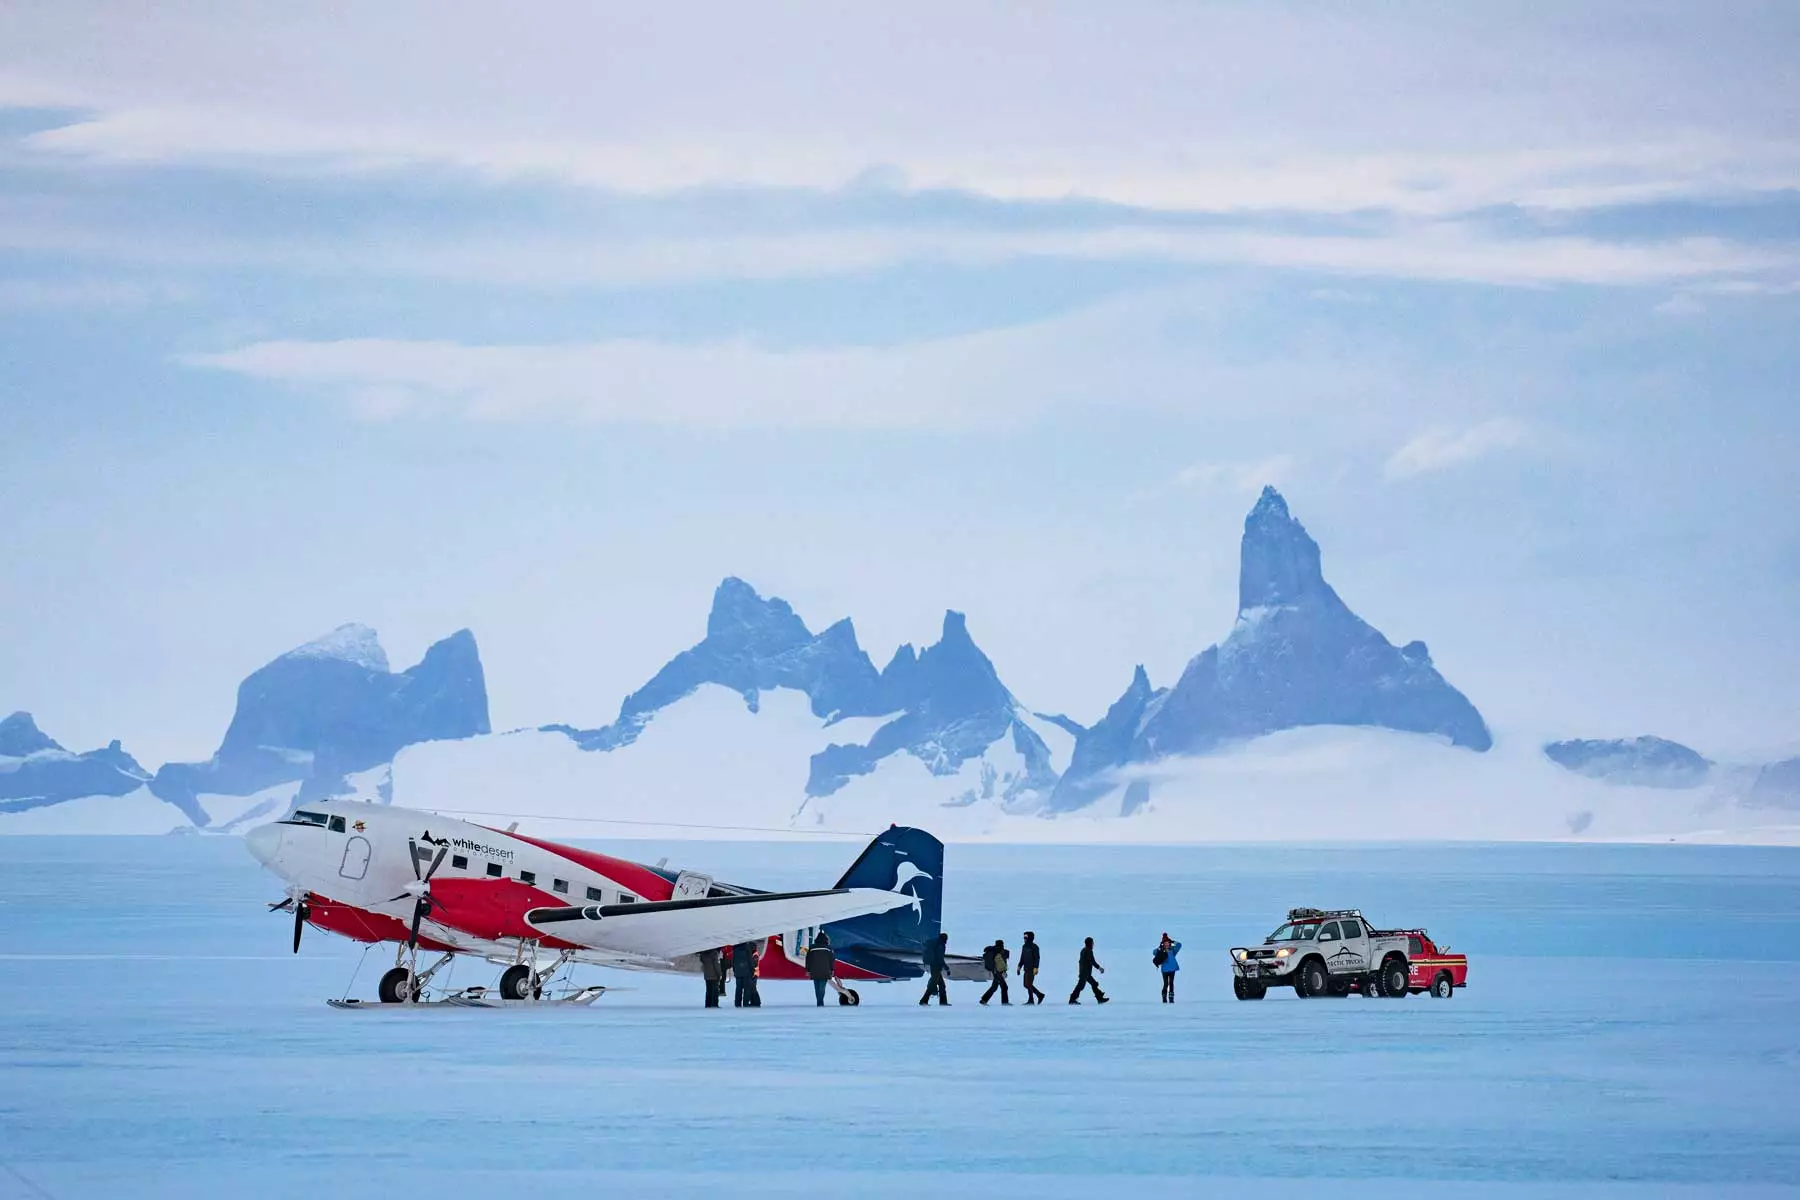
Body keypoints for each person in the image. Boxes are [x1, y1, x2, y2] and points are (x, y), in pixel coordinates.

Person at [1069, 936, 1109, 1004]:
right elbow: (1092, 961)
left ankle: (1099, 998)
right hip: (1085, 973)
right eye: (1093, 943)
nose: (1093, 944)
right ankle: (1072, 999)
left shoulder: (1083, 950)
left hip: (1085, 973)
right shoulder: (1088, 951)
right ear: (1090, 943)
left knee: (1093, 984)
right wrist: (1100, 968)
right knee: (1080, 986)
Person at [919, 930, 950, 1006]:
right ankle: (923, 1001)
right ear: (944, 939)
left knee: (941, 985)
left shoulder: (937, 944)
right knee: (933, 985)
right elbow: (940, 958)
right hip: (936, 967)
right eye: (946, 939)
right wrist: (946, 967)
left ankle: (943, 1002)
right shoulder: (940, 945)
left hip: (934, 966)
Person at [806, 931, 837, 1007]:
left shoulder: (812, 947)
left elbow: (808, 959)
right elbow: (831, 960)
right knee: (822, 988)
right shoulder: (829, 948)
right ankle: (821, 1002)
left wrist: (808, 970)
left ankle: (819, 1002)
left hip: (814, 971)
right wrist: (832, 970)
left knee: (817, 988)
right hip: (825, 971)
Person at [980, 937, 1011, 1005]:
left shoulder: (992, 951)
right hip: (998, 972)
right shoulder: (1000, 951)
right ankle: (1005, 1002)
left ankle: (984, 1000)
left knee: (994, 987)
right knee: (1004, 987)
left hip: (994, 971)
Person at [732, 939, 762, 1008]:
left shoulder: (735, 950)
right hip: (746, 972)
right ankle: (745, 1003)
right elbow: (750, 961)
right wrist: (751, 971)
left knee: (738, 989)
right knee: (747, 989)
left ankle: (737, 1003)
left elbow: (733, 962)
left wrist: (734, 970)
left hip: (738, 972)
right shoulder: (747, 949)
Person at [1018, 931, 1045, 1004]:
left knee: (1029, 984)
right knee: (1026, 985)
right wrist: (1019, 966)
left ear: (1030, 938)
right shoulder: (1024, 946)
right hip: (1026, 968)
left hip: (1032, 969)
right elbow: (1022, 958)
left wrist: (1036, 968)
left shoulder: (1035, 947)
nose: (1024, 939)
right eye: (1024, 937)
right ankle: (1040, 995)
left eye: (1026, 937)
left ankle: (1031, 1000)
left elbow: (1037, 958)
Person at [1155, 932, 1182, 1003]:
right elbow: (1154, 952)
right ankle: (1164, 998)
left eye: (1167, 942)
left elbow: (1179, 945)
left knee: (1171, 983)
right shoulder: (1161, 951)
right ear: (1163, 944)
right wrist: (1159, 947)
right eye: (1165, 943)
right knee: (1166, 983)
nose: (1166, 944)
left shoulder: (1172, 950)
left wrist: (1173, 941)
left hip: (1172, 969)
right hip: (1165, 970)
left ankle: (1171, 998)